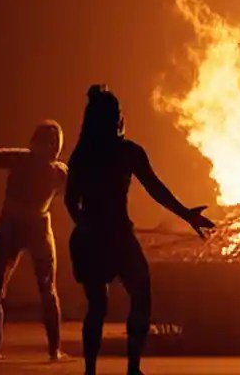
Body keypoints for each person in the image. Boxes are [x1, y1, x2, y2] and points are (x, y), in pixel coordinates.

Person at [64, 85, 213, 375]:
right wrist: (186, 215)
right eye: (118, 114)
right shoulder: (127, 152)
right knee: (139, 296)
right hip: (115, 237)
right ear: (113, 119)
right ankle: (131, 369)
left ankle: (92, 372)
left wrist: (84, 226)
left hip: (96, 237)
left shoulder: (82, 155)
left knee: (98, 306)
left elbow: (71, 201)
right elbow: (155, 188)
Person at [0, 120, 68, 360]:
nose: (51, 149)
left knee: (47, 289)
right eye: (47, 143)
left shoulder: (59, 171)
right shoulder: (20, 158)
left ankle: (55, 349)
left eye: (54, 144)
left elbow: (79, 195)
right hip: (10, 227)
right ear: (36, 143)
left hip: (38, 228)